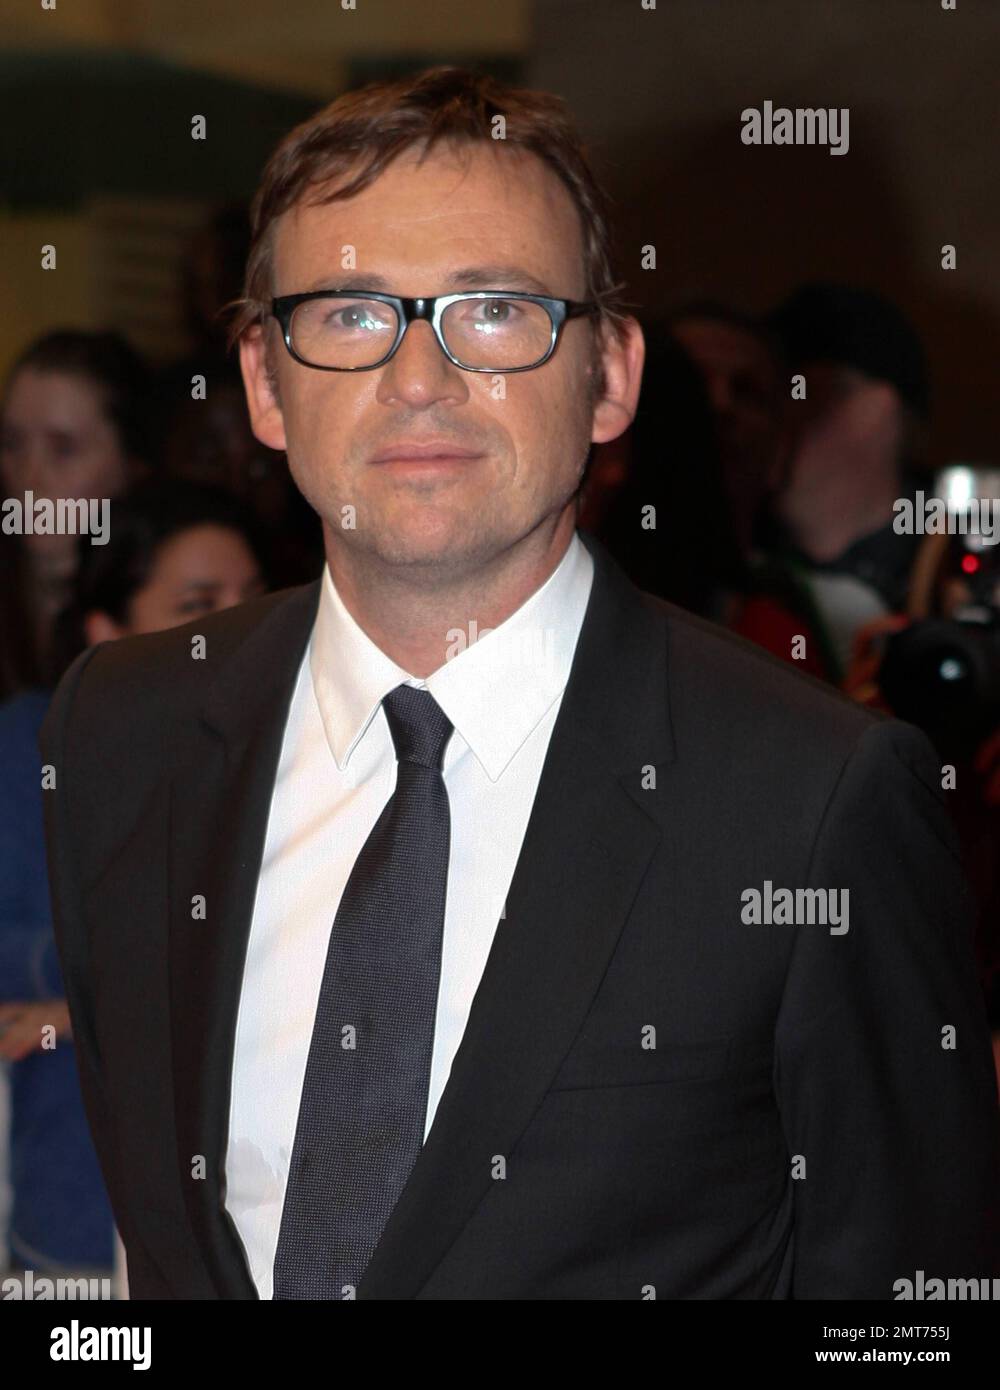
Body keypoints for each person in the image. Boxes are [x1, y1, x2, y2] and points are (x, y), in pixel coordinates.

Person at [40, 66, 997, 1301]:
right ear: (266, 386)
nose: (420, 379)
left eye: (493, 310)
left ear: (610, 378)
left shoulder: (813, 800)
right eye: (347, 312)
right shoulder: (123, 731)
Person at [0, 479, 266, 1283]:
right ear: (107, 632)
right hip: (70, 1221)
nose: (240, 631)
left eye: (255, 601)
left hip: (257, 1225)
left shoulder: (307, 762)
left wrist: (94, 1007)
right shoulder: (27, 756)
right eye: (196, 605)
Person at [761, 282, 933, 682]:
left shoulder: (963, 568)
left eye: (792, 391)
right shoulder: (732, 569)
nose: (760, 420)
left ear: (876, 411)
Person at [0, 330, 152, 701]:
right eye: (12, 444)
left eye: (64, 448)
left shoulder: (159, 610)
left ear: (131, 464)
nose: (30, 476)